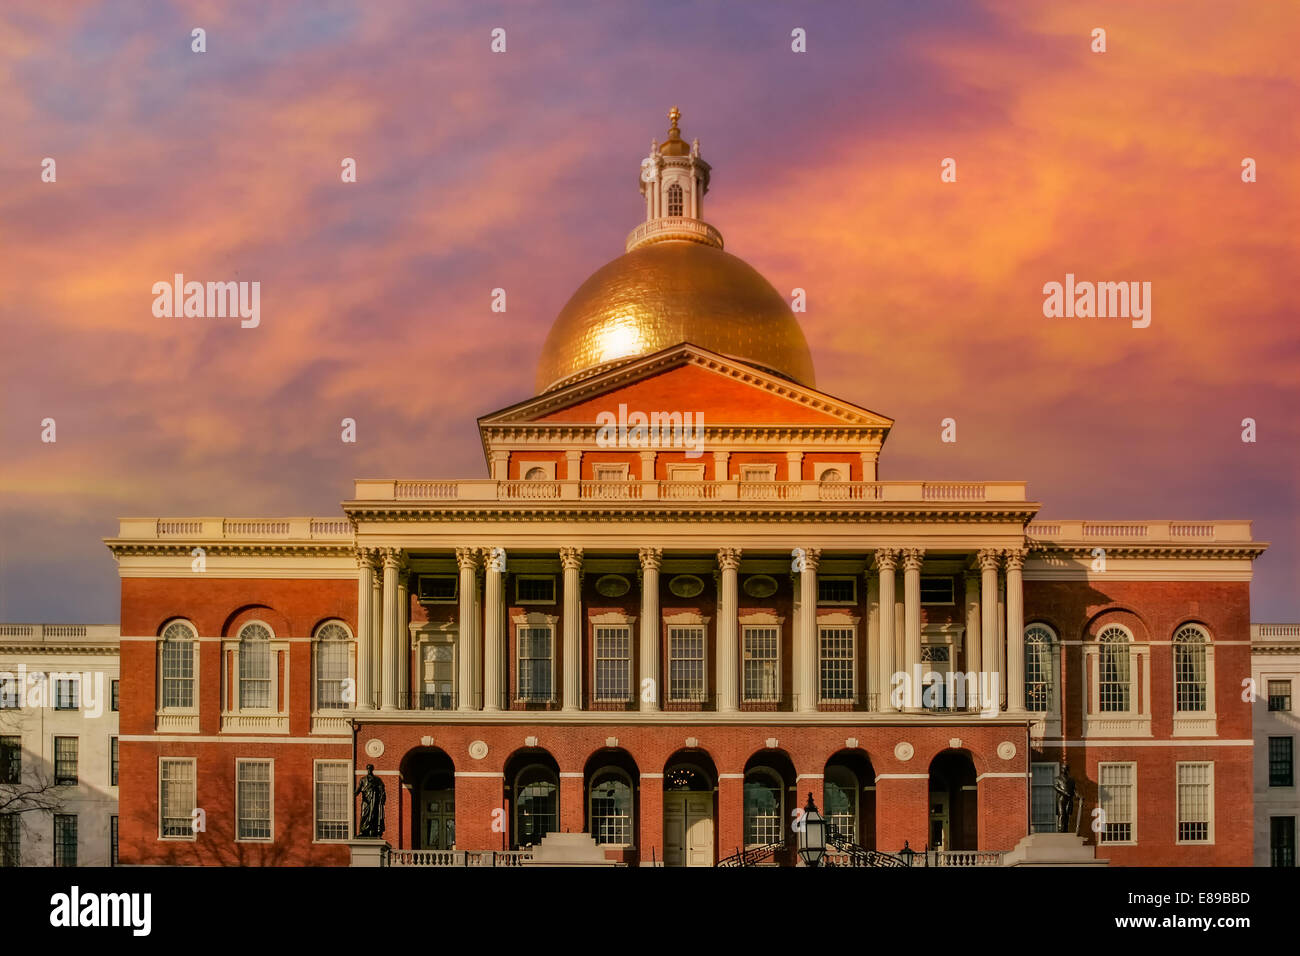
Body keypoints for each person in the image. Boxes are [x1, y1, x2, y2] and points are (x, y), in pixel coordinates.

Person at [356, 764, 386, 838]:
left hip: (374, 801)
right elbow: (358, 789)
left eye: (370, 769)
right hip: (365, 800)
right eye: (368, 769)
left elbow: (382, 789)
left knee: (373, 816)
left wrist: (382, 796)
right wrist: (354, 794)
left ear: (372, 769)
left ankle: (373, 831)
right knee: (364, 815)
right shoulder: (363, 779)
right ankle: (363, 831)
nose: (369, 770)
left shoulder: (377, 779)